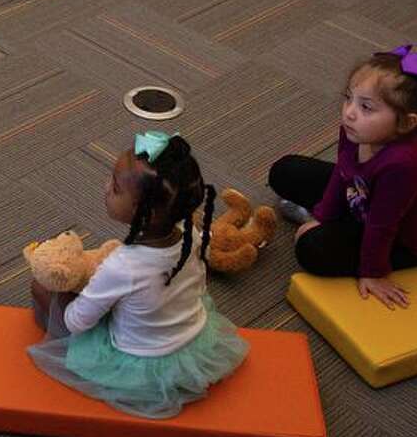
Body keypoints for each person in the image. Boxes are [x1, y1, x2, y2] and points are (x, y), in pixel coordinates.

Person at [25, 135, 249, 419]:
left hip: (139, 360)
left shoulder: (122, 266)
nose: (106, 187)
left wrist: (72, 290)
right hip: (194, 338)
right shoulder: (190, 234)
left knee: (41, 290)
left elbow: (77, 321)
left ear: (147, 213)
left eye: (116, 188)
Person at [267, 46, 417, 309]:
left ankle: (330, 228)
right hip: (363, 197)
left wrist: (373, 272)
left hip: (402, 241)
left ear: (406, 123)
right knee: (284, 171)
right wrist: (322, 216)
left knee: (310, 248)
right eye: (349, 98)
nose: (350, 112)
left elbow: (382, 225)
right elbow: (342, 173)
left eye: (366, 107)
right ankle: (328, 222)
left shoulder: (404, 164)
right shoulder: (356, 130)